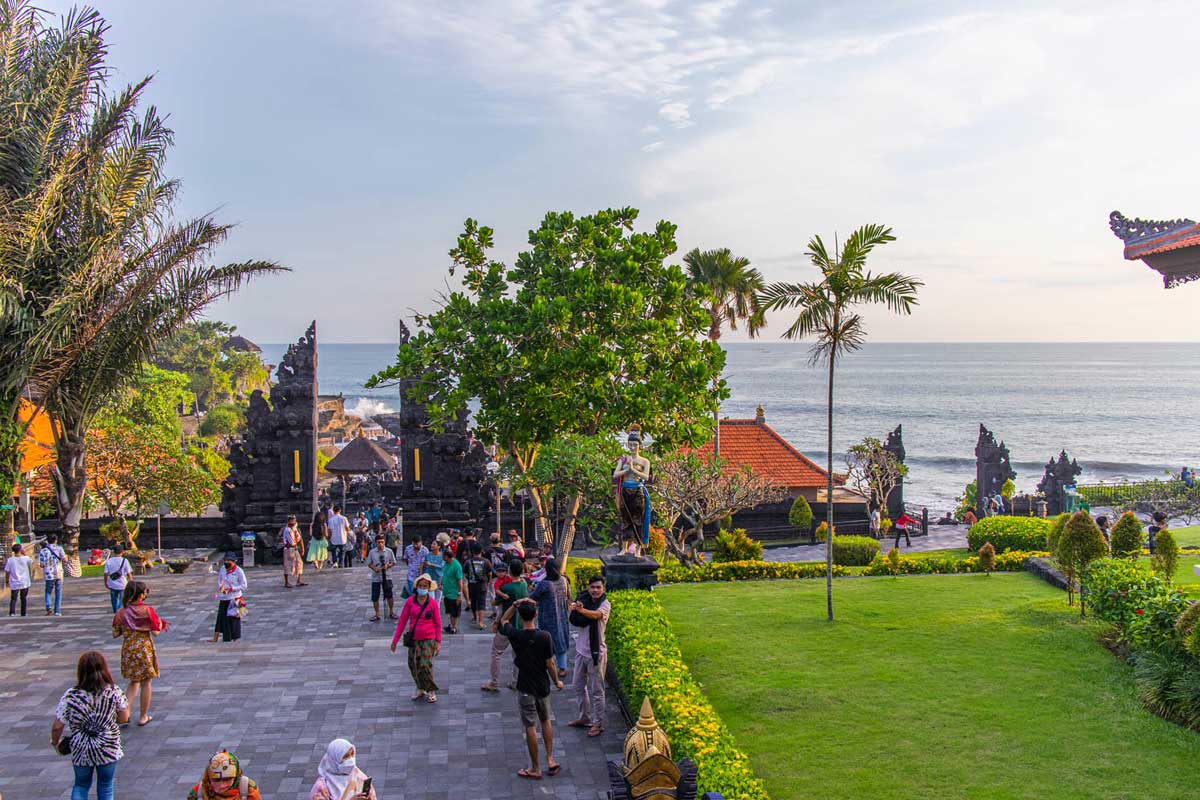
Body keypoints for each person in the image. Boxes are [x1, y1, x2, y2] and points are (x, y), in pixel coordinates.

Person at [51, 651, 130, 800]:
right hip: (108, 745)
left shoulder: (71, 695)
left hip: (81, 747)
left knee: (81, 785)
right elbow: (124, 717)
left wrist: (55, 742)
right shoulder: (113, 691)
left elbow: (57, 726)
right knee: (106, 785)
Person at [500, 598, 562, 780]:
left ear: (520, 617)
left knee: (530, 726)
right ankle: (550, 759)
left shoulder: (515, 635)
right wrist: (556, 681)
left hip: (525, 685)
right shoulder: (545, 636)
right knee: (546, 720)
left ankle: (535, 767)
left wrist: (514, 604)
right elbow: (550, 663)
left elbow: (503, 621)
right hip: (542, 684)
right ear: (536, 615)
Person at [112, 580, 168, 727]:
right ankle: (143, 716)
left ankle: (125, 713)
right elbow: (156, 632)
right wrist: (161, 624)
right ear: (141, 595)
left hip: (129, 648)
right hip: (144, 648)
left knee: (133, 681)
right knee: (146, 682)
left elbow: (115, 632)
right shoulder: (147, 610)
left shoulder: (121, 612)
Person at [569, 574, 611, 737]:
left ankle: (597, 723)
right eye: (592, 587)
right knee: (578, 686)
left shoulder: (605, 604)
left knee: (597, 690)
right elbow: (576, 617)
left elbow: (596, 615)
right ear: (588, 588)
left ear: (603, 589)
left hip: (596, 654)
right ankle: (584, 718)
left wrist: (580, 609)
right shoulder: (584, 600)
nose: (595, 590)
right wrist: (576, 607)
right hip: (581, 651)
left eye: (598, 587)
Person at [390, 573, 442, 703]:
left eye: (425, 586)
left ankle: (430, 689)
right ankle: (420, 686)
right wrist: (395, 640)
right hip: (414, 638)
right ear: (416, 587)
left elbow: (438, 623)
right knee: (413, 663)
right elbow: (402, 621)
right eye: (420, 585)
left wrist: (438, 641)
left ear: (429, 588)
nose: (422, 588)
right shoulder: (410, 602)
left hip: (429, 638)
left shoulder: (433, 604)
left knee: (425, 664)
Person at [482, 559, 528, 692]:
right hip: (520, 625)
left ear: (509, 571)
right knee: (518, 654)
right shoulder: (524, 584)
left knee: (496, 653)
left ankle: (494, 682)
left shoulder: (506, 588)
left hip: (506, 625)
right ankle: (515, 681)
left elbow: (495, 604)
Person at [530, 557, 572, 675]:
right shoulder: (564, 580)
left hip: (546, 618)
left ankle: (547, 665)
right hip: (562, 616)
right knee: (561, 640)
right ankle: (562, 668)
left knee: (545, 642)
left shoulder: (544, 584)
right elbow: (569, 597)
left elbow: (533, 597)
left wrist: (532, 588)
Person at [309, 738, 376, 800]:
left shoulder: (359, 777)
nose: (351, 760)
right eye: (346, 757)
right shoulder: (321, 788)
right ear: (334, 760)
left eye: (352, 754)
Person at [187, 751, 262, 800]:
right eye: (215, 780)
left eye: (227, 779)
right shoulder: (198, 793)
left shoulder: (248, 789)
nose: (221, 785)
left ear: (236, 777)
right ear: (208, 777)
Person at [213, 554, 247, 643]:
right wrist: (221, 587)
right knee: (223, 618)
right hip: (224, 597)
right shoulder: (222, 569)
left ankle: (235, 639)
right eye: (226, 560)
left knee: (234, 619)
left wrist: (232, 588)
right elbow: (220, 580)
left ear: (233, 561)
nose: (226, 562)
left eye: (229, 561)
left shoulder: (239, 571)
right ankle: (226, 638)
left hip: (235, 598)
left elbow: (244, 585)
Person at [366, 534, 397, 621]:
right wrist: (374, 568)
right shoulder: (372, 552)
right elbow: (369, 563)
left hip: (387, 576)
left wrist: (388, 566)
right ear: (375, 543)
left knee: (389, 595)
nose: (380, 544)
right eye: (379, 542)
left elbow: (394, 562)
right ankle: (377, 614)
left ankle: (391, 612)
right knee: (375, 596)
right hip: (376, 577)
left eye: (382, 542)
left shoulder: (389, 551)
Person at [463, 539, 492, 630]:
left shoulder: (468, 561)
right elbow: (490, 573)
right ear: (481, 551)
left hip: (472, 585)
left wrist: (470, 579)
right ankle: (481, 622)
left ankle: (475, 618)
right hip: (482, 585)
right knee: (482, 603)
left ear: (473, 551)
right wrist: (488, 581)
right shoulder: (486, 561)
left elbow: (466, 574)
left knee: (474, 602)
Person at [39, 533, 66, 616]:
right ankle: (57, 611)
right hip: (58, 573)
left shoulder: (43, 550)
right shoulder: (59, 548)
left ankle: (49, 607)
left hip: (49, 574)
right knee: (58, 591)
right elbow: (65, 559)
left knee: (48, 591)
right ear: (56, 540)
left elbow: (41, 564)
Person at [441, 546, 467, 634]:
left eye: (443, 556)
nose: (442, 557)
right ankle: (451, 625)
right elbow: (444, 575)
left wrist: (459, 594)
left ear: (447, 556)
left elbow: (460, 581)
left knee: (454, 612)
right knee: (449, 611)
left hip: (454, 593)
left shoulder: (456, 566)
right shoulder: (446, 563)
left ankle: (453, 627)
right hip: (447, 592)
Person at [102, 544, 132, 613]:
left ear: (114, 552)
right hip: (123, 584)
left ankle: (116, 611)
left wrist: (106, 582)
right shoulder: (125, 561)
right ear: (122, 552)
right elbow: (129, 574)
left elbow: (105, 573)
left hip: (112, 583)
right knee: (122, 599)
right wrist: (131, 582)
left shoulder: (109, 561)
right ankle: (120, 610)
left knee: (114, 599)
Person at [280, 515, 308, 589]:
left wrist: (302, 548)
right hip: (289, 549)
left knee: (299, 563)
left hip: (294, 549)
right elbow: (292, 541)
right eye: (292, 520)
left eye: (294, 520)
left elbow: (299, 538)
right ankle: (286, 582)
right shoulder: (287, 530)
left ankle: (298, 580)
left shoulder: (294, 529)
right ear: (288, 521)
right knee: (287, 565)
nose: (293, 522)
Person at [6, 542, 32, 617]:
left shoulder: (10, 560)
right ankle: (23, 613)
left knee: (13, 598)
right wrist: (25, 554)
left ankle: (12, 612)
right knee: (23, 598)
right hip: (24, 581)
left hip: (14, 582)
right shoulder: (25, 558)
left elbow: (7, 571)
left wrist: (7, 581)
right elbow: (31, 562)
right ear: (21, 550)